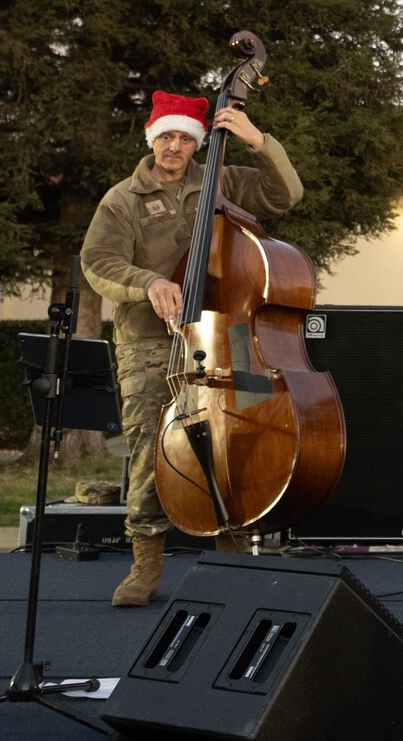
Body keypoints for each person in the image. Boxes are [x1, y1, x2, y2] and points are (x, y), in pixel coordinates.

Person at [82, 91, 304, 607]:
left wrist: (258, 141)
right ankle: (146, 565)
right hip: (150, 340)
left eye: (185, 137)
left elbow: (285, 195)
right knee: (148, 446)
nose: (175, 146)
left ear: (197, 142)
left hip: (234, 334)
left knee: (245, 428)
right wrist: (148, 282)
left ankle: (231, 551)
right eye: (167, 136)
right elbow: (98, 263)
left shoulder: (223, 181)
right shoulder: (122, 199)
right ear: (152, 139)